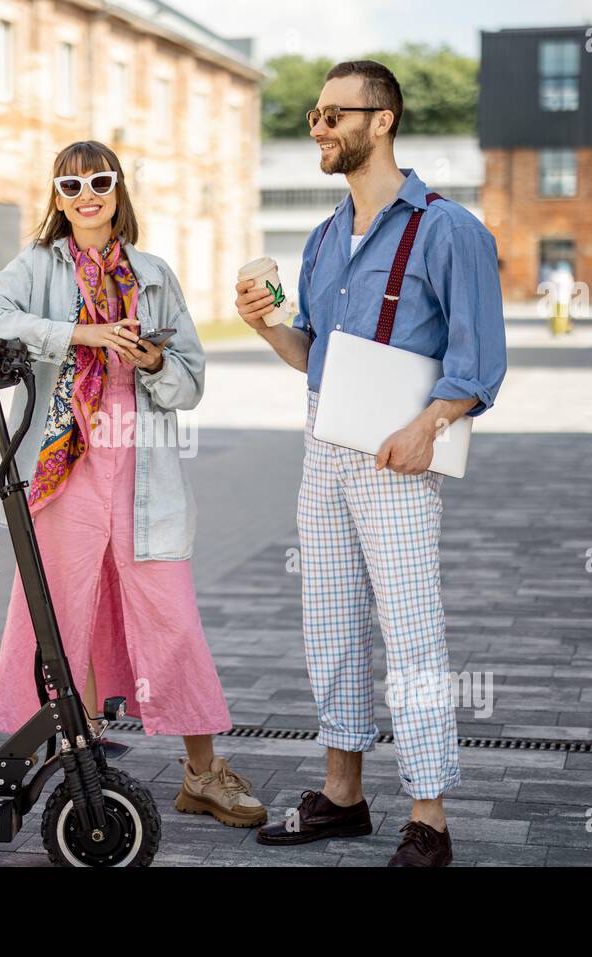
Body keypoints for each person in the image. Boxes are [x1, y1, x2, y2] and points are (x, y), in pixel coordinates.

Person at [235, 60, 507, 867]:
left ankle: (430, 817)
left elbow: (480, 361)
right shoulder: (322, 237)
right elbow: (312, 353)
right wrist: (265, 326)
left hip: (399, 452)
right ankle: (343, 796)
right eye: (313, 116)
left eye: (332, 115)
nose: (317, 128)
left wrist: (432, 424)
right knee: (330, 625)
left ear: (380, 120)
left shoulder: (449, 229)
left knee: (412, 632)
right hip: (324, 442)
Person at [0, 140, 266, 829]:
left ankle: (203, 772)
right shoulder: (37, 267)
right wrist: (85, 331)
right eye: (70, 185)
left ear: (118, 189)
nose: (86, 195)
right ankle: (73, 764)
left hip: (142, 467)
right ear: (56, 197)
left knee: (172, 616)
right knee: (60, 614)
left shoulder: (155, 273)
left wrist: (157, 358)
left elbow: (190, 381)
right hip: (65, 468)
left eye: (99, 181)